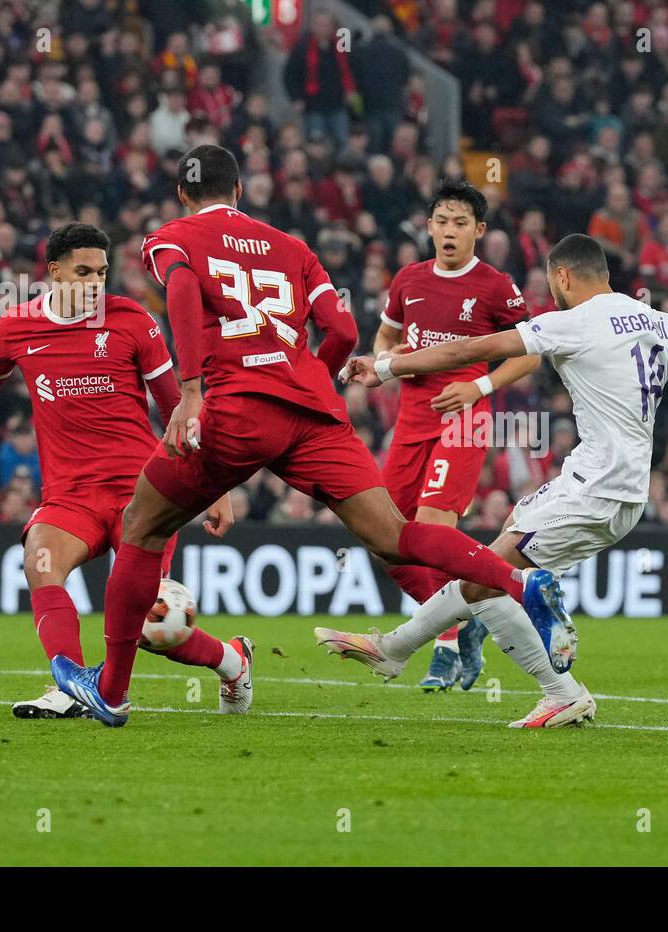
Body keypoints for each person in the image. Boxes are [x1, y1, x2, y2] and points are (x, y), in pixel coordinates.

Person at [50, 145, 563, 727]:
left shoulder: (170, 238)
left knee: (141, 525)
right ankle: (520, 582)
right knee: (396, 536)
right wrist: (311, 378)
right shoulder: (292, 247)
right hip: (313, 411)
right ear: (240, 192)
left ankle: (112, 691)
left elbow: (185, 293)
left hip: (238, 408)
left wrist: (191, 391)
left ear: (183, 196)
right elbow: (342, 328)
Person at [323, 234, 668, 728]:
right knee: (486, 568)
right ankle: (415, 646)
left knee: (485, 575)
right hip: (617, 489)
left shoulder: (571, 322)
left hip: (594, 488)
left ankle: (450, 659)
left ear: (562, 277)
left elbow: (475, 348)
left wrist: (386, 366)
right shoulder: (662, 323)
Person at [0, 223, 252, 719]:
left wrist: (215, 486)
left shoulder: (132, 321)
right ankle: (71, 685)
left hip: (142, 495)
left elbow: (177, 405)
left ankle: (232, 660)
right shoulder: (15, 328)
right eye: (83, 272)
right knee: (40, 561)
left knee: (150, 626)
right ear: (53, 272)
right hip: (70, 498)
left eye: (102, 272)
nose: (95, 283)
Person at [372, 178, 539, 691]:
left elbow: (530, 352)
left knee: (432, 526)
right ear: (428, 227)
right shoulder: (408, 280)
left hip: (465, 420)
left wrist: (479, 386)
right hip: (412, 420)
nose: (449, 231)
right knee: (384, 539)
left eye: (460, 223)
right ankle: (464, 621)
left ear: (478, 231)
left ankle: (442, 645)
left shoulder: (494, 286)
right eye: (441, 221)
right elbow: (387, 336)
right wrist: (384, 363)